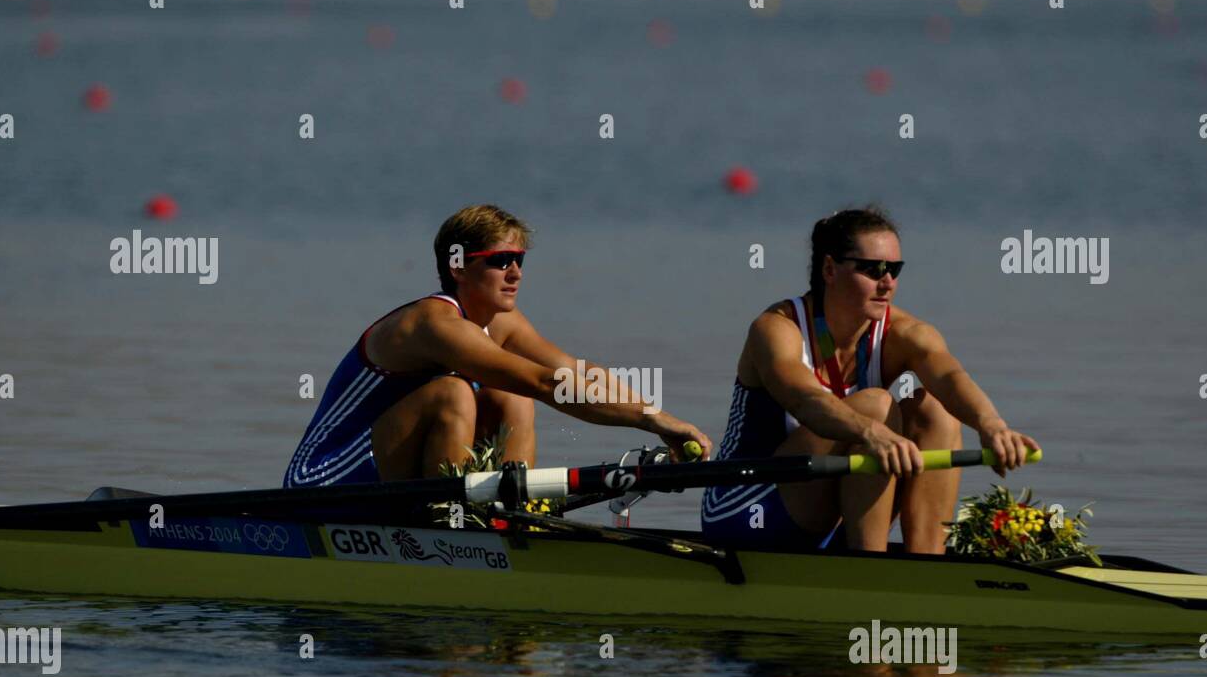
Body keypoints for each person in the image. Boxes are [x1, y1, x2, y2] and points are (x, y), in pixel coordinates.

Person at [284, 204, 711, 488]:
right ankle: (446, 525)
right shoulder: (434, 324)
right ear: (459, 267)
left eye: (519, 261)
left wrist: (664, 418)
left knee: (511, 397)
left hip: (385, 472)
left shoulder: (501, 323)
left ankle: (510, 514)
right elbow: (547, 384)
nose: (515, 273)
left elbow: (577, 374)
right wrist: (652, 423)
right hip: (324, 480)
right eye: (499, 261)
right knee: (455, 394)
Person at [701, 206, 1039, 553]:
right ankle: (870, 567)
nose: (887, 281)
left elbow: (949, 375)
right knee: (876, 406)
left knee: (935, 410)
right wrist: (870, 431)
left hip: (828, 519)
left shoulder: (905, 332)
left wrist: (992, 426)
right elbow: (805, 401)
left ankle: (925, 564)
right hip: (747, 509)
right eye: (872, 269)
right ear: (829, 269)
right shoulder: (776, 330)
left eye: (894, 269)